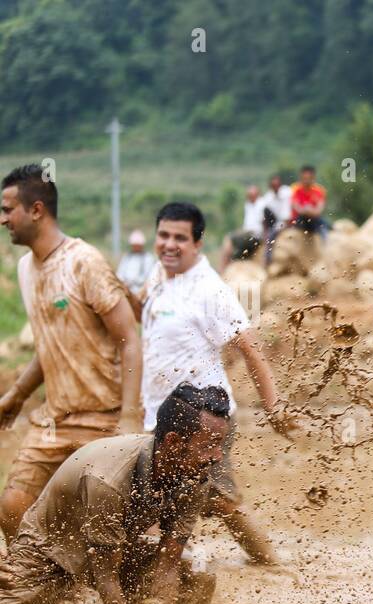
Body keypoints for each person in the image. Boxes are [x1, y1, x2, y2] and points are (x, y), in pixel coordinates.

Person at [0, 384, 229, 604]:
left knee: (197, 572)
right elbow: (106, 577)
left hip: (118, 547)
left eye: (221, 444)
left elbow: (167, 563)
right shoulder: (108, 479)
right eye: (209, 445)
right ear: (172, 442)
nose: (218, 455)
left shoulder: (195, 476)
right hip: (49, 553)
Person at [141, 202, 296, 566]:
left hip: (204, 419)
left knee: (218, 499)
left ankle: (272, 563)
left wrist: (274, 407)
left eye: (180, 238)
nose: (169, 244)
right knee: (160, 495)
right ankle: (171, 565)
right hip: (162, 416)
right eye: (163, 235)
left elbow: (249, 346)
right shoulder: (157, 276)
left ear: (197, 243)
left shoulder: (210, 290)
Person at [0, 164, 144, 542]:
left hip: (103, 418)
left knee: (109, 528)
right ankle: (51, 586)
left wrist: (129, 417)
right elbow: (51, 346)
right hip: (54, 421)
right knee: (14, 506)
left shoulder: (84, 262)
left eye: (7, 209)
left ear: (36, 210)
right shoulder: (25, 269)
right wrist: (15, 397)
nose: (2, 220)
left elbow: (129, 336)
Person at [287, 165, 328, 237]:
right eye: (304, 178)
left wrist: (309, 210)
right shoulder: (295, 189)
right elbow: (296, 207)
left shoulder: (319, 190)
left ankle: (326, 245)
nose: (307, 180)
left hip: (314, 220)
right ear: (300, 177)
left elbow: (319, 210)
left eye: (309, 178)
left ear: (314, 177)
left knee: (324, 228)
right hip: (299, 219)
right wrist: (307, 210)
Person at [116, 230, 156, 297]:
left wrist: (132, 282)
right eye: (134, 245)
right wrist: (122, 283)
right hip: (125, 290)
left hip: (141, 291)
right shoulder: (126, 257)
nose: (136, 247)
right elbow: (120, 273)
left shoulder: (148, 258)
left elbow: (148, 277)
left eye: (137, 245)